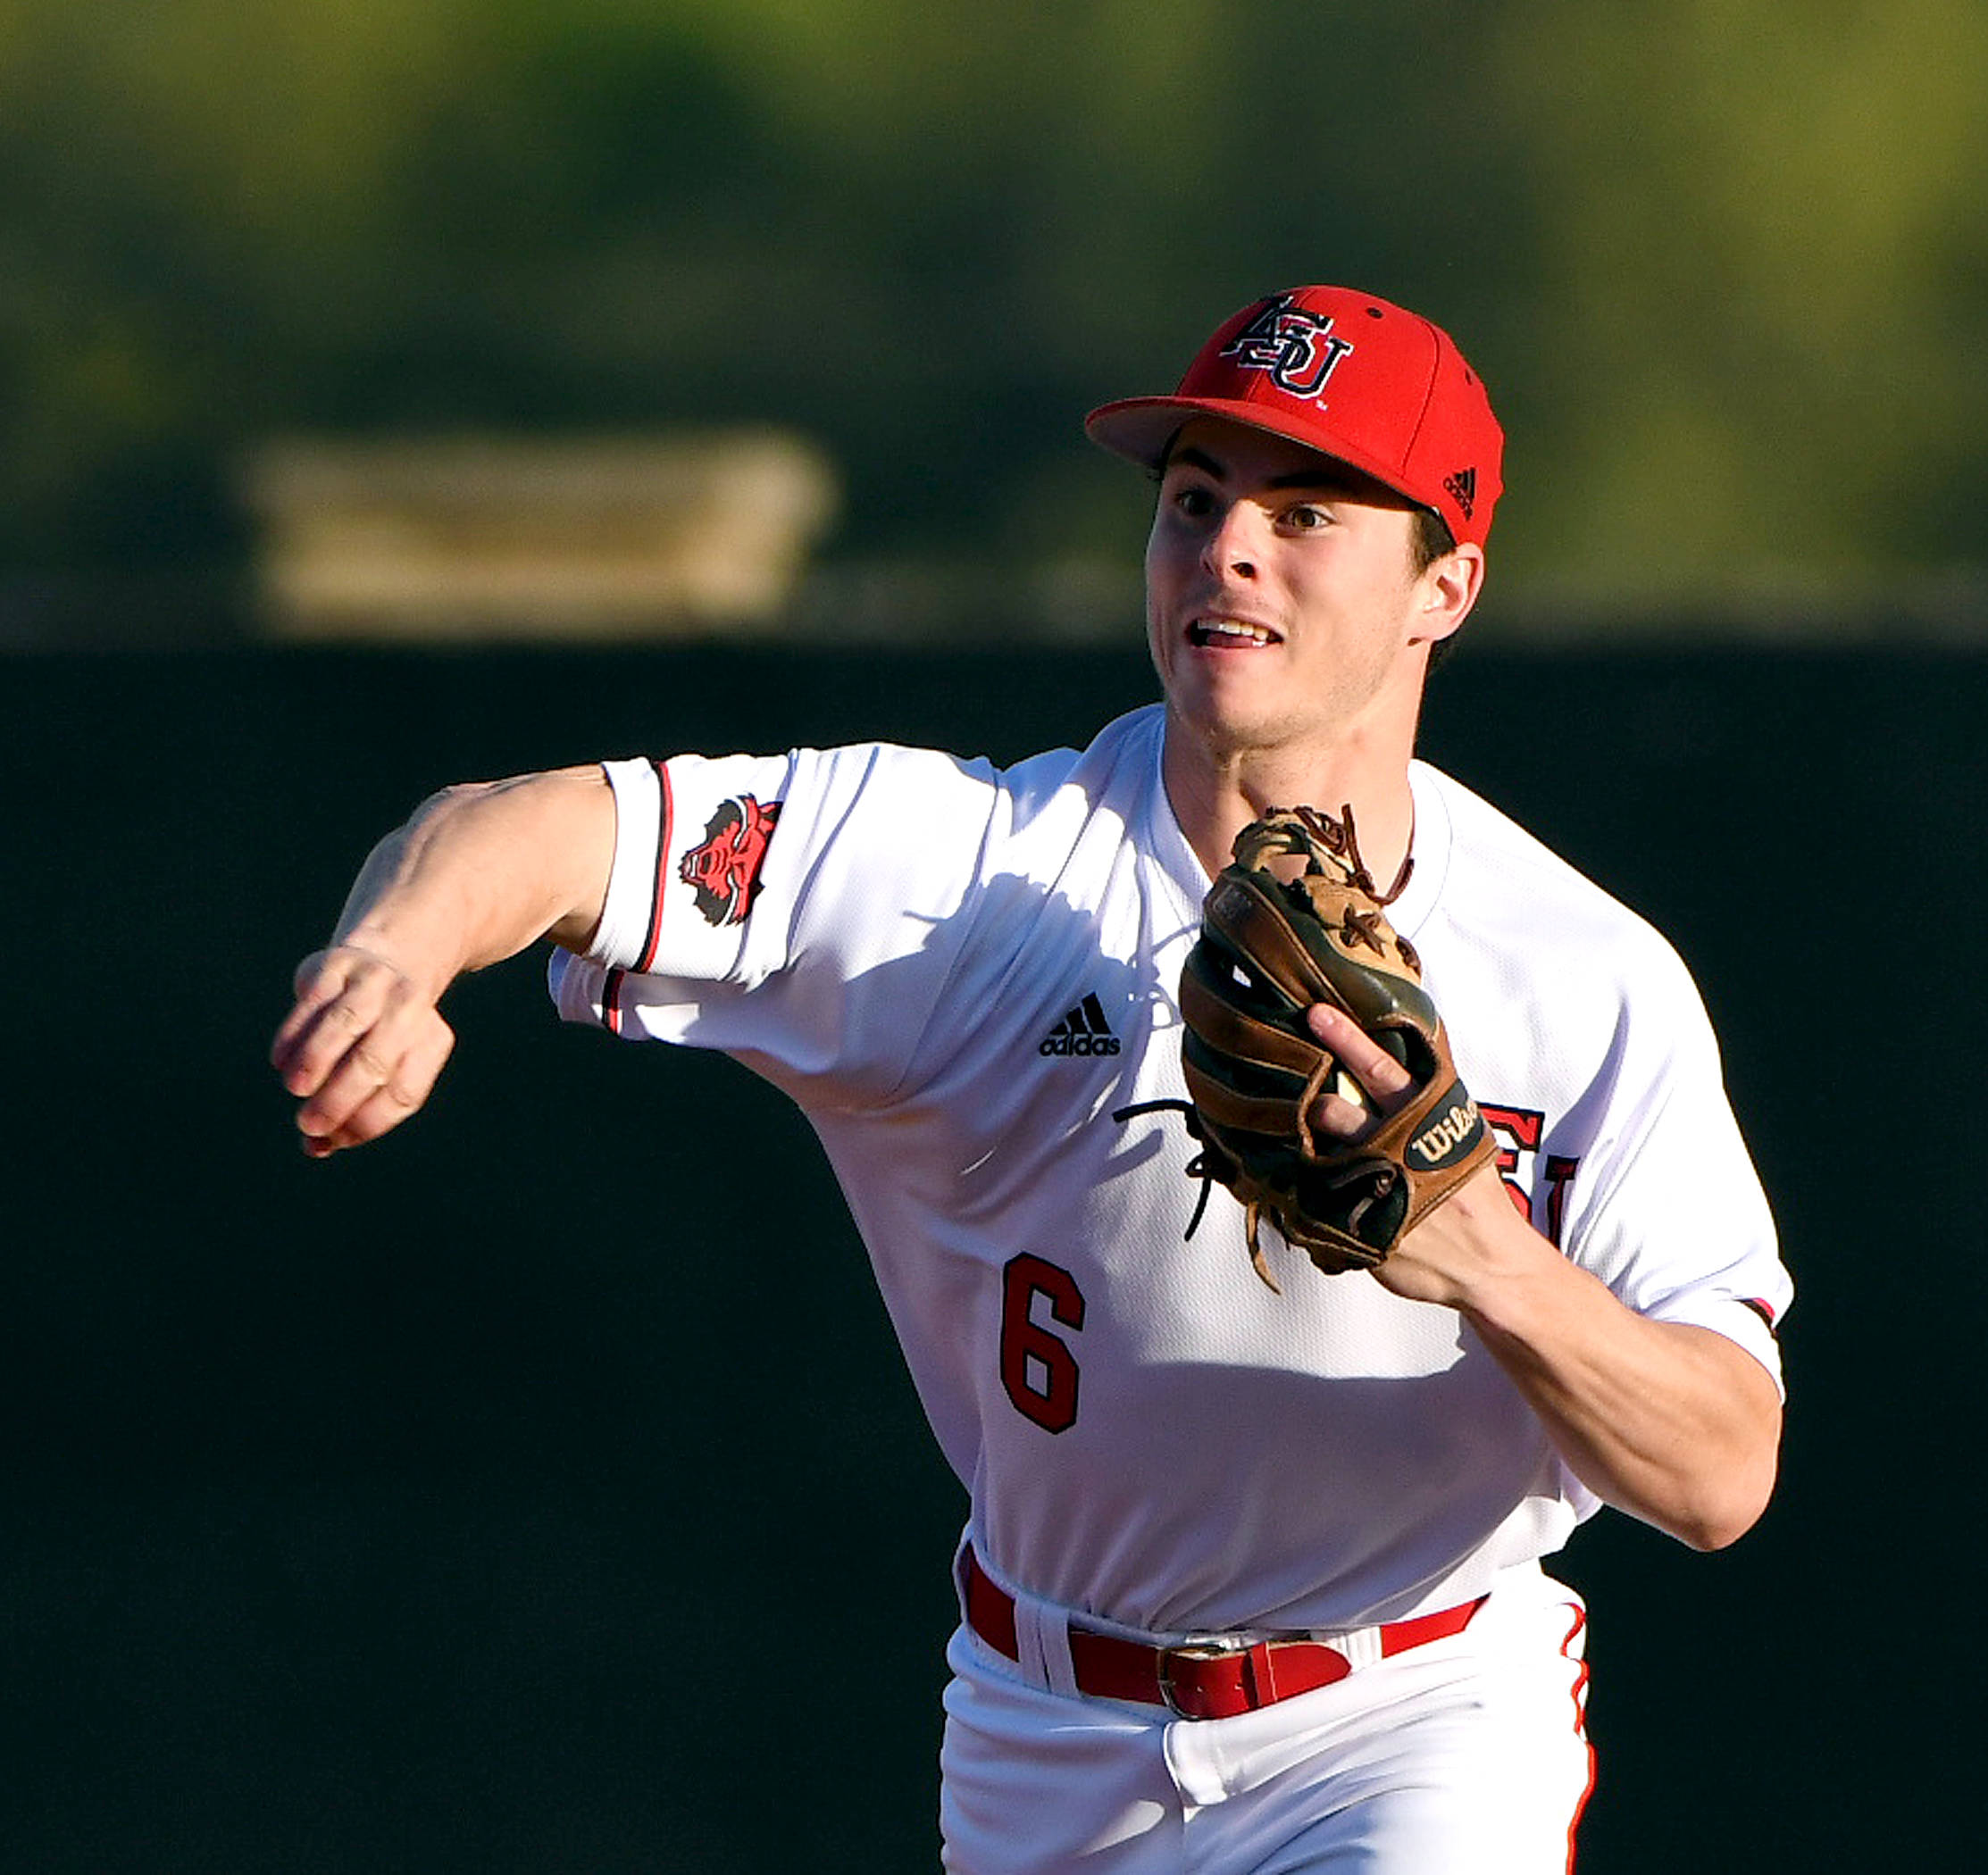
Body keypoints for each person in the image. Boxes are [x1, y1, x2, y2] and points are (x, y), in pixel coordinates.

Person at [268, 285, 1789, 1873]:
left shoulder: (1579, 974)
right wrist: (400, 951)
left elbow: (1719, 1471)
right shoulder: (982, 881)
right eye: (1194, 500)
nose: (1229, 549)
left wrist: (1480, 1249)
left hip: (1415, 1719)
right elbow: (540, 822)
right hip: (1047, 1732)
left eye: (1306, 508)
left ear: (1445, 585)